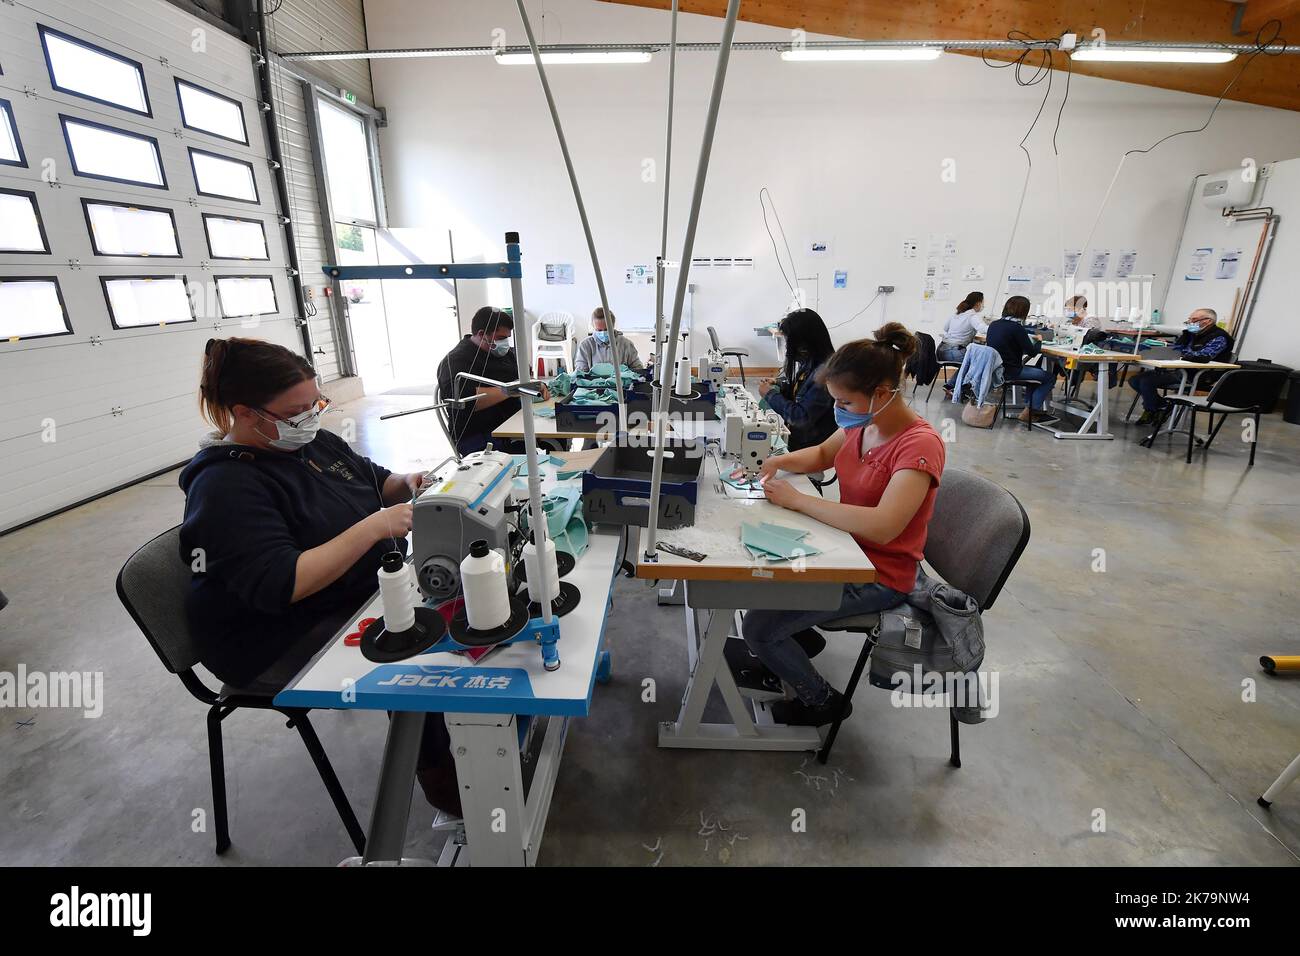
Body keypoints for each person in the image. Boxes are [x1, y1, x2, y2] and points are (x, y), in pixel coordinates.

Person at [180, 337, 461, 814]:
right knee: (410, 653)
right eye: (296, 410)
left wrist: (405, 484)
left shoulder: (311, 442)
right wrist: (371, 528)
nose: (310, 416)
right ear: (244, 412)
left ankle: (486, 740)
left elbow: (375, 482)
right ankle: (447, 787)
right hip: (270, 636)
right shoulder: (225, 486)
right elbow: (283, 583)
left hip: (343, 597)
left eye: (316, 403)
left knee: (454, 608)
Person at [742, 323, 946, 726]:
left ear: (882, 395)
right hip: (844, 551)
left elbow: (885, 527)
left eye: (843, 402)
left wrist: (799, 500)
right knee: (758, 578)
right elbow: (820, 454)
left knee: (758, 629)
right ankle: (799, 638)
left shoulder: (918, 445)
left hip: (880, 573)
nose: (837, 409)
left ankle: (821, 702)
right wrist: (778, 461)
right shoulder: (864, 423)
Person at [437, 306, 545, 455]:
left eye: (507, 337)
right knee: (537, 449)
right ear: (481, 334)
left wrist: (536, 384)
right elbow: (467, 401)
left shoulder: (504, 354)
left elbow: (522, 377)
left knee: (557, 437)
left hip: (511, 425)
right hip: (477, 437)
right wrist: (513, 389)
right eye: (500, 338)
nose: (505, 343)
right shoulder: (454, 362)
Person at [1128, 307, 1232, 425]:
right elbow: (1177, 348)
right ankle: (1162, 406)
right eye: (1189, 319)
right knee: (1135, 380)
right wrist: (1166, 345)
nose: (1190, 322)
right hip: (1179, 369)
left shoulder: (1219, 337)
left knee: (1146, 381)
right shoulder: (1190, 334)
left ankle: (1151, 409)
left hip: (1198, 374)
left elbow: (1204, 356)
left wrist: (1180, 352)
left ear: (1208, 321)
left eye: (1194, 319)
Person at [756, 308, 837, 452]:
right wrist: (779, 385)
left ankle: (813, 476)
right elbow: (802, 393)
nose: (788, 347)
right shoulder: (811, 362)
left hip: (811, 447)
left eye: (790, 341)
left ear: (805, 341)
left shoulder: (824, 374)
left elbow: (801, 417)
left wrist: (770, 395)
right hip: (801, 440)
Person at [985, 295, 1053, 423]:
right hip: (1010, 371)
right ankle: (1031, 411)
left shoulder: (994, 324)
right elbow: (1032, 353)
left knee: (1035, 374)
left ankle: (1029, 409)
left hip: (996, 369)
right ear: (1023, 311)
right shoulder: (1017, 328)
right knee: (1049, 378)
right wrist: (1039, 341)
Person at [573, 307, 643, 373]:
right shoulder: (585, 345)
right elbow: (580, 371)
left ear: (613, 326)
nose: (603, 333)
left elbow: (637, 368)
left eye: (606, 329)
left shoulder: (626, 344)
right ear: (593, 327)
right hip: (594, 385)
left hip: (621, 384)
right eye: (599, 330)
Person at [937, 291, 986, 363]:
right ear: (978, 303)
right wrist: (995, 325)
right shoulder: (972, 316)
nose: (983, 305)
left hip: (941, 351)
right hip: (954, 352)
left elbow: (945, 328)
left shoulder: (957, 314)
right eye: (983, 303)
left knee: (974, 360)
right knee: (982, 361)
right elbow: (982, 329)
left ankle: (957, 375)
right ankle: (958, 375)